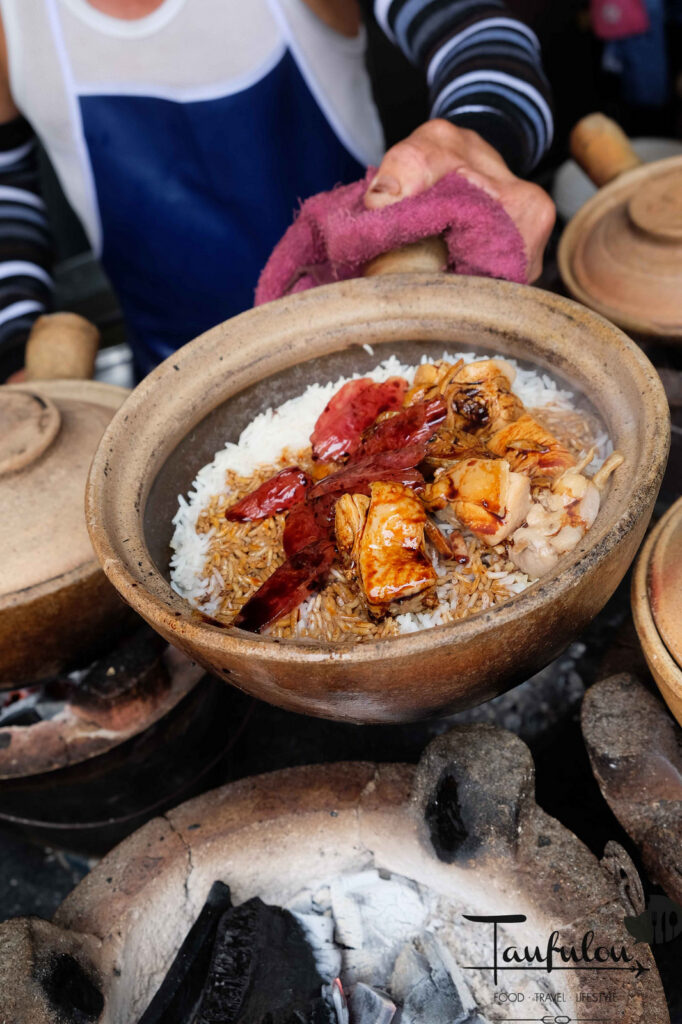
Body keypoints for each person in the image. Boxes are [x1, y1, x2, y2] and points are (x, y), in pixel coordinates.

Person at [0, 0, 555, 377]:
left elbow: (482, 36)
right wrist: (14, 343)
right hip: (172, 390)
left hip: (394, 358)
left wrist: (475, 141)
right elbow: (7, 189)